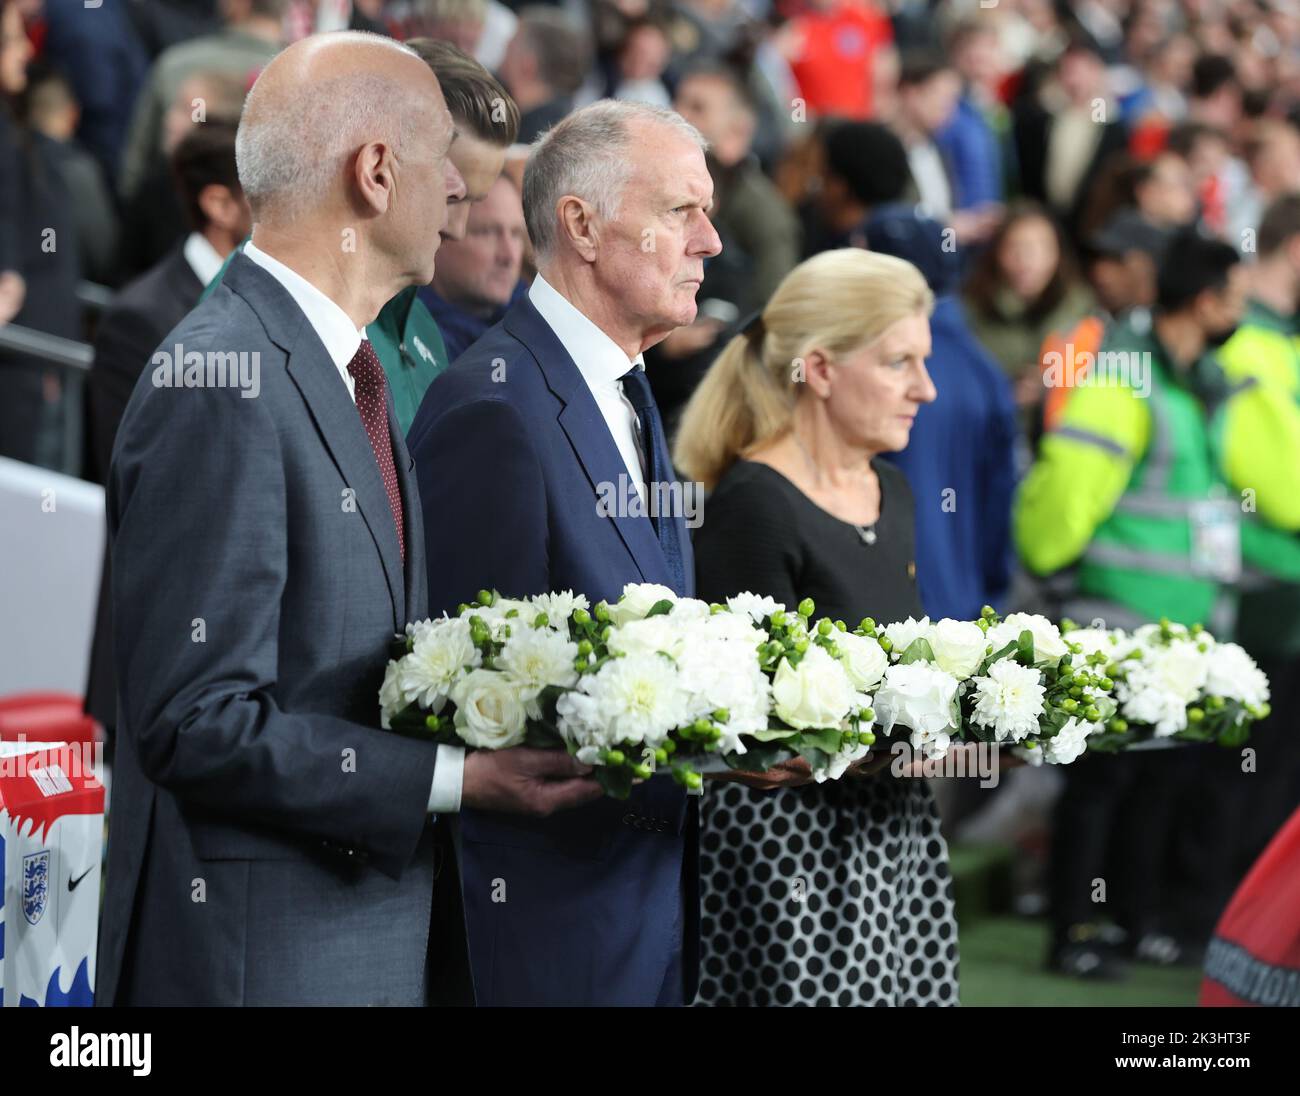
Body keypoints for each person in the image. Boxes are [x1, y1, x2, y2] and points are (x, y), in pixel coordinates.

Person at [97, 31, 598, 1007]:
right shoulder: (227, 381)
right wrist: (462, 778)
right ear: (375, 173)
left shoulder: (346, 365)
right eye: (441, 162)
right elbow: (199, 723)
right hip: (260, 961)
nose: (461, 194)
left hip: (348, 937)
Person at [408, 99, 723, 1006]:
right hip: (545, 931)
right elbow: (474, 707)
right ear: (582, 225)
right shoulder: (495, 408)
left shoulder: (624, 385)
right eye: (679, 211)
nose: (707, 240)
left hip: (642, 902)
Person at [672, 247, 957, 1006]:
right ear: (821, 371)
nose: (924, 389)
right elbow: (748, 744)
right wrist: (909, 752)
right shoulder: (755, 503)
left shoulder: (890, 490)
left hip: (894, 844)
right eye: (900, 363)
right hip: (785, 862)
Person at [1013, 227, 1273, 977]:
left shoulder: (1193, 386)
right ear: (1204, 301)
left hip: (1179, 631)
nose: (1243, 317)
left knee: (1156, 783)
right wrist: (1053, 578)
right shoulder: (1125, 382)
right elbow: (1063, 497)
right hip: (1114, 622)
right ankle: (1074, 933)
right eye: (1235, 301)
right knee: (1098, 785)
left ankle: (1128, 922)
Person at [196, 36, 522, 432]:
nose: (457, 226)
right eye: (447, 189)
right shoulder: (243, 331)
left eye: (475, 200)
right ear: (376, 166)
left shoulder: (422, 329)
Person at [83, 120, 250, 748]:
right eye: (263, 188)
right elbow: (143, 489)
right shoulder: (141, 316)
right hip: (158, 647)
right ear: (218, 203)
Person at [866, 206, 1018, 623]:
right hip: (963, 610)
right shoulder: (984, 369)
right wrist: (989, 594)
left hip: (878, 616)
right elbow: (1001, 501)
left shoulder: (865, 365)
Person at [420, 172, 528, 363]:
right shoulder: (401, 335)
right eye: (487, 232)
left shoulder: (540, 324)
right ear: (442, 234)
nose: (509, 256)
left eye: (516, 234)